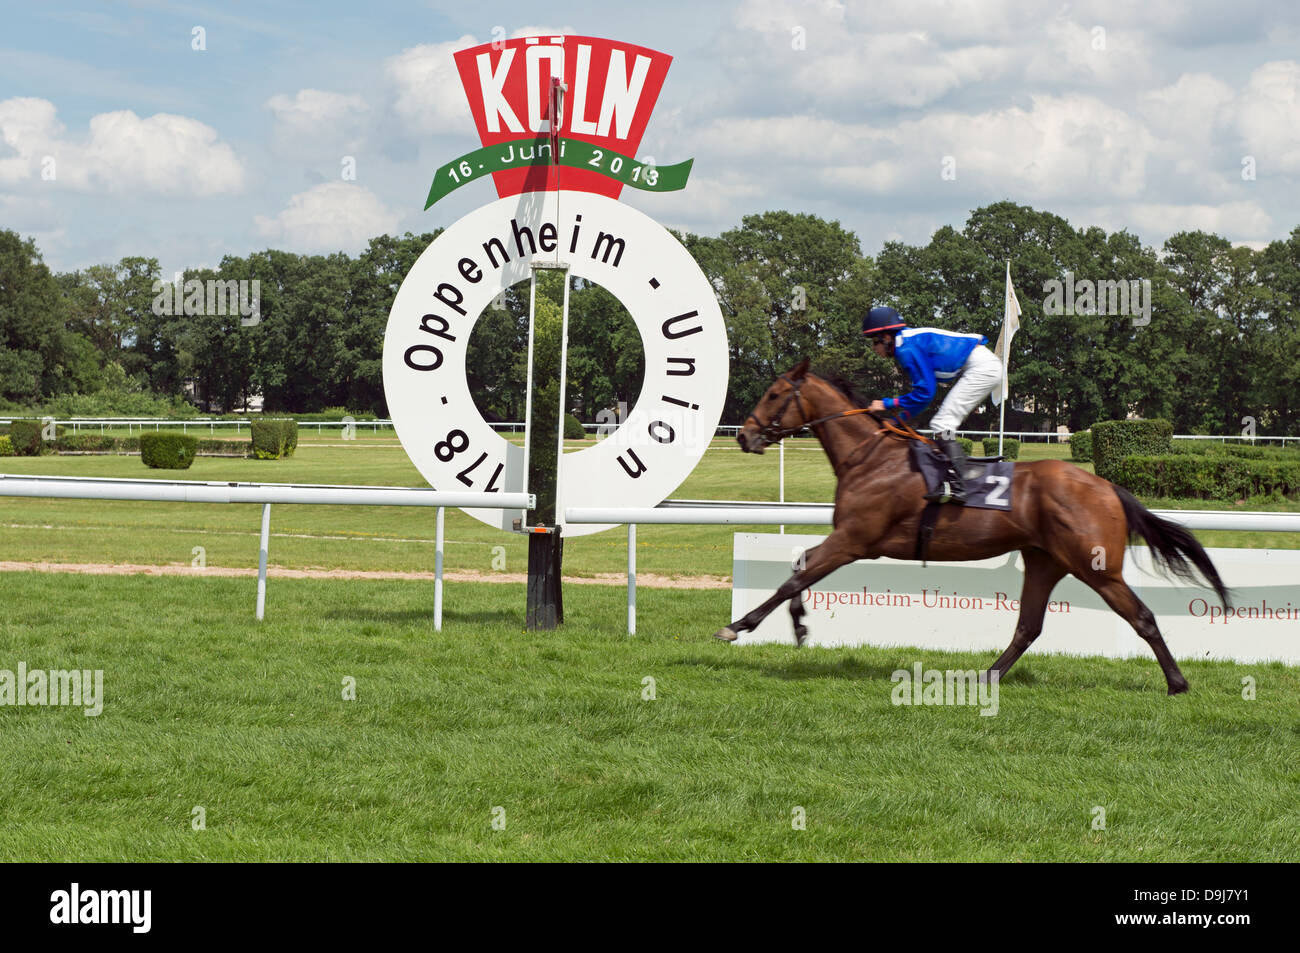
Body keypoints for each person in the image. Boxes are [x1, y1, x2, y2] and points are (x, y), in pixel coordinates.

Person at [862, 306, 1003, 503]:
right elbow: (923, 397)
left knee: (942, 425)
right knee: (941, 424)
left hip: (981, 368)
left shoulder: (906, 349)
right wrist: (897, 421)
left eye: (874, 342)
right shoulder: (907, 342)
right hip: (980, 365)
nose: (873, 348)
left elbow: (925, 394)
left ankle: (959, 486)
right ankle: (956, 475)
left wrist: (886, 404)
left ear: (886, 338)